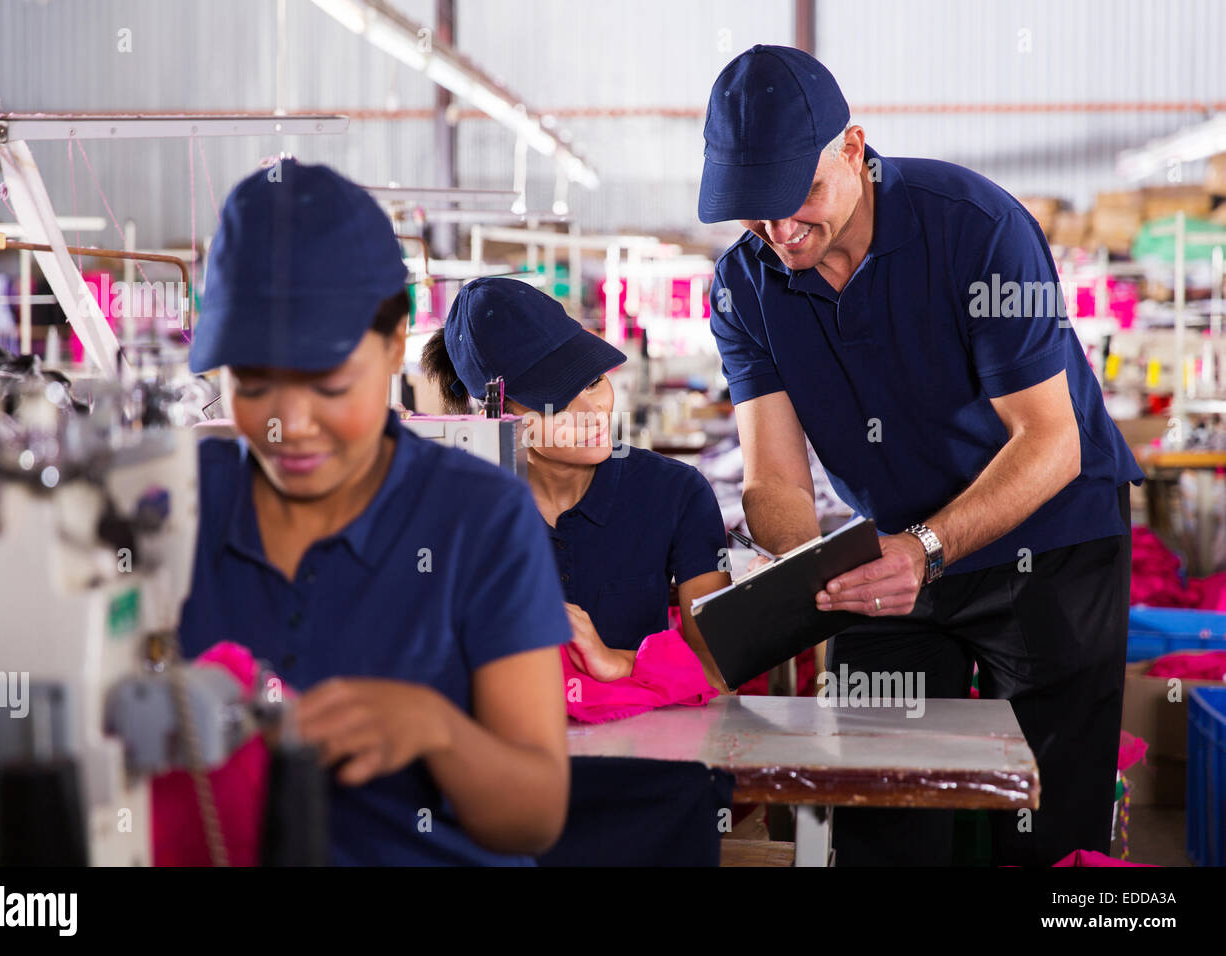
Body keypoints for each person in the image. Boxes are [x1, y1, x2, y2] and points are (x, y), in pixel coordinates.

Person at [698, 45, 1142, 866]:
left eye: (801, 195)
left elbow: (1051, 443)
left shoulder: (980, 228)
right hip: (894, 550)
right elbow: (773, 473)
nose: (780, 229)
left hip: (1051, 540)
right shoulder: (743, 285)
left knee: (1045, 817)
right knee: (877, 793)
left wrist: (928, 550)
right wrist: (799, 574)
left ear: (855, 149)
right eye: (753, 210)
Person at [179, 160, 571, 866]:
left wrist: (440, 730)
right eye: (254, 383)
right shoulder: (176, 506)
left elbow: (535, 816)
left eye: (329, 385)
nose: (289, 424)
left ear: (396, 347)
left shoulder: (480, 520)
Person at [420, 276, 731, 688]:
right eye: (557, 402)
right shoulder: (458, 511)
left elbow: (721, 671)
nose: (592, 412)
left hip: (647, 743)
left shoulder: (676, 494)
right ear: (495, 415)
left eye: (592, 381)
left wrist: (618, 663)